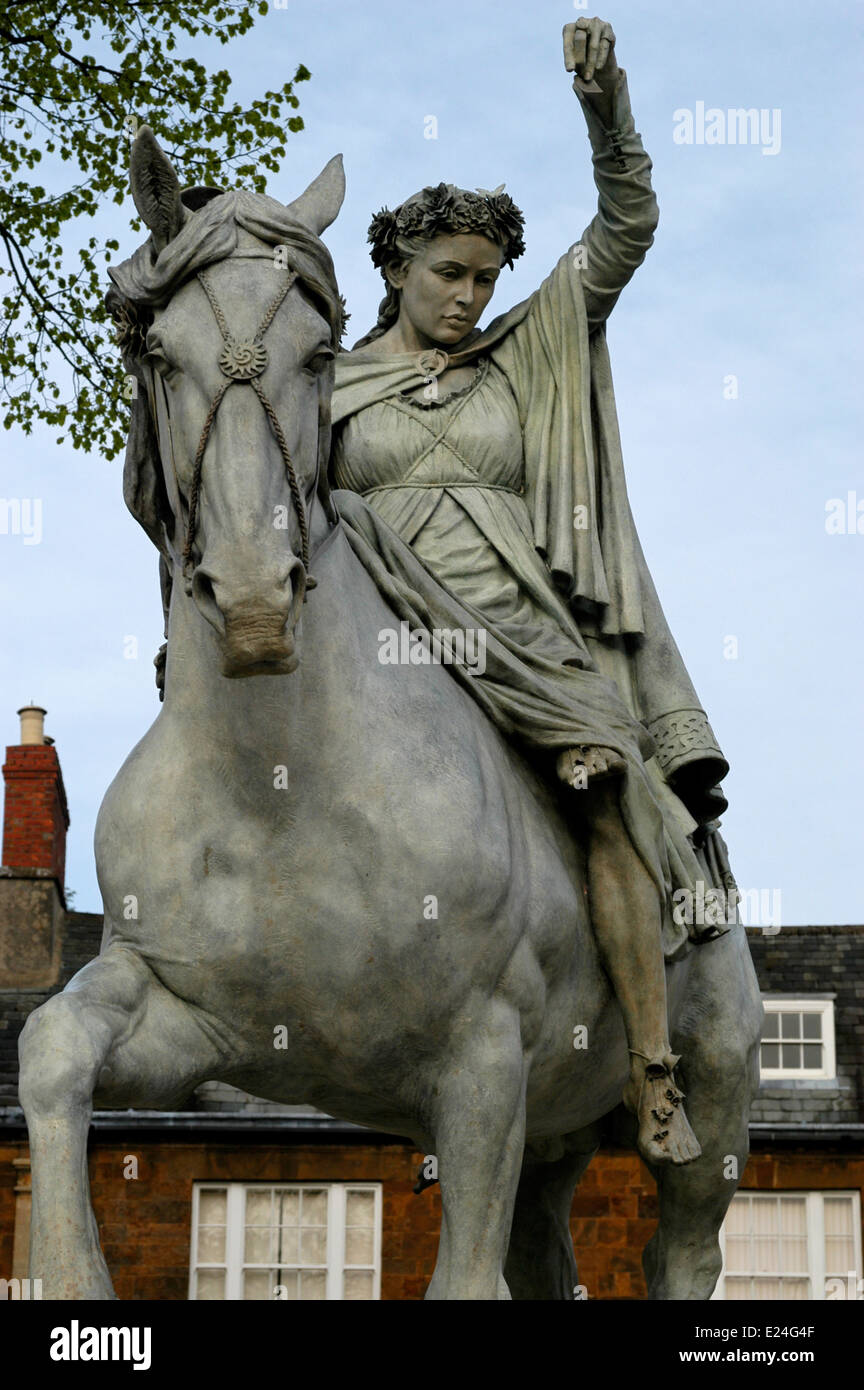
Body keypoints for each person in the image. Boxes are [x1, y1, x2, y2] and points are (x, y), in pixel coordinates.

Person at [329, 16, 738, 1166]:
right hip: (375, 637)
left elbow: (627, 226)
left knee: (603, 793)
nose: (467, 294)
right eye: (447, 274)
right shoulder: (330, 387)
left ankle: (653, 1073)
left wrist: (605, 108)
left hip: (518, 628)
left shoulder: (530, 344)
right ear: (398, 271)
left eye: (482, 277)